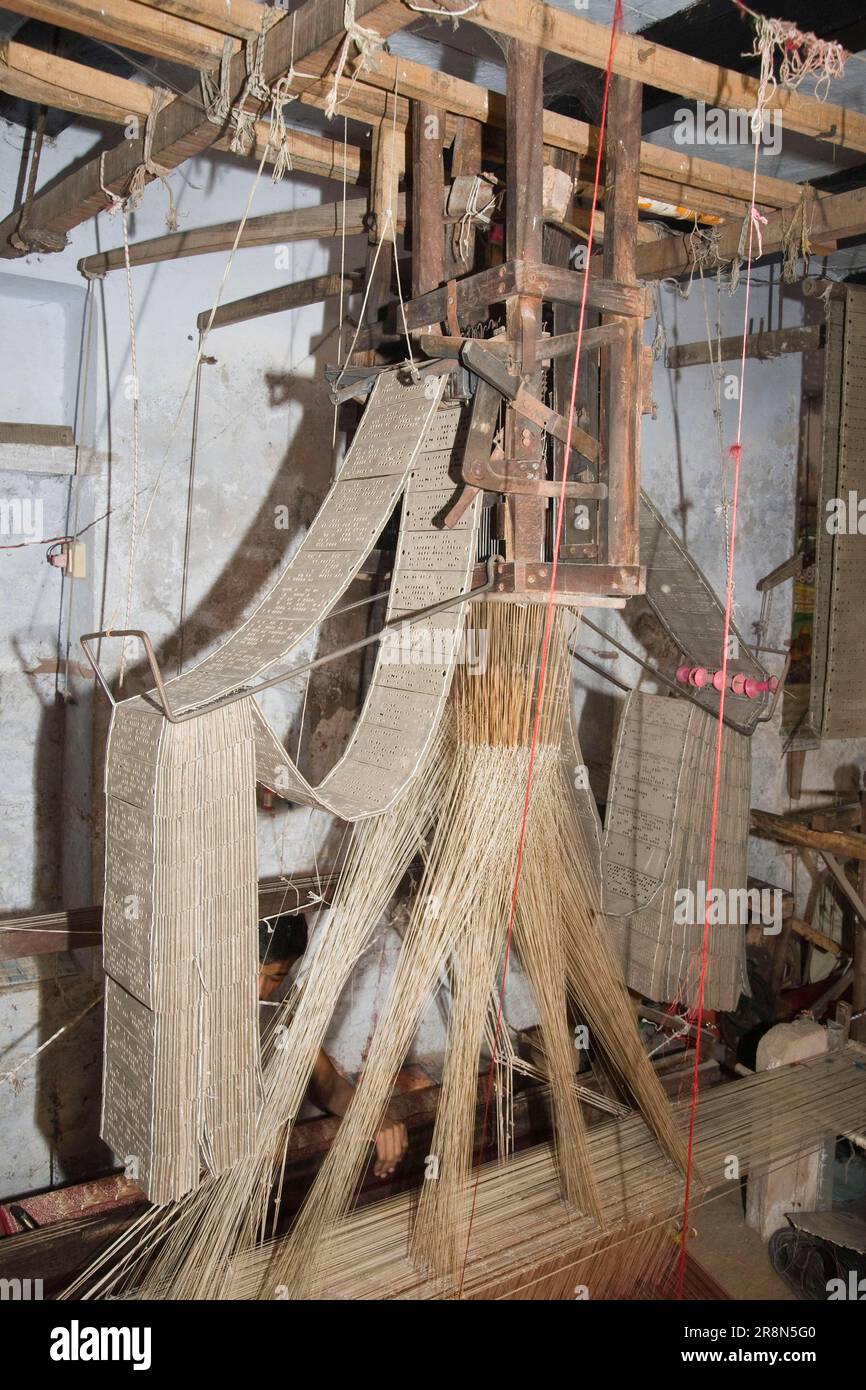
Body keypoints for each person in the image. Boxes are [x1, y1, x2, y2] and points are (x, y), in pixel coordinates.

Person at [258, 913, 408, 1179]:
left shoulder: (282, 1001)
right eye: (252, 972)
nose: (260, 988)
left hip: (264, 1166)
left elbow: (326, 1085)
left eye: (275, 977)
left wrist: (370, 1116)